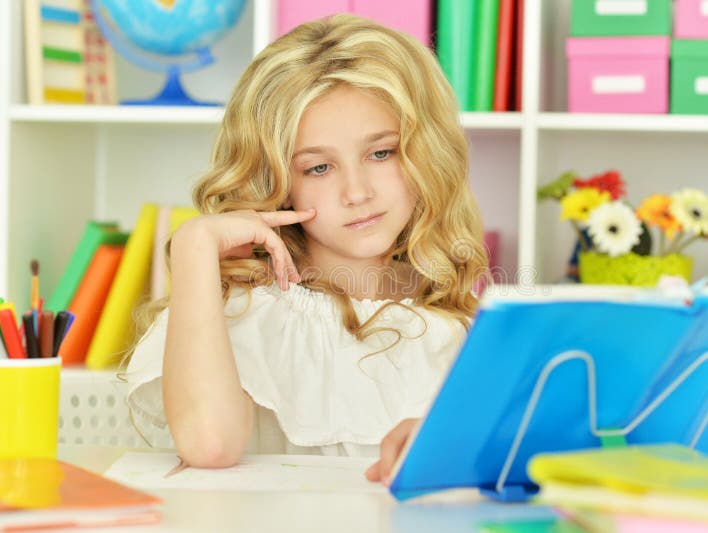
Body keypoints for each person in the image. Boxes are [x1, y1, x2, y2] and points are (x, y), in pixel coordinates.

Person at [124, 14, 487, 486]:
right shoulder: (241, 312)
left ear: (424, 153)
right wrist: (195, 243)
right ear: (277, 182)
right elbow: (209, 445)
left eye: (381, 153)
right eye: (319, 168)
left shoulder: (454, 327)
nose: (357, 193)